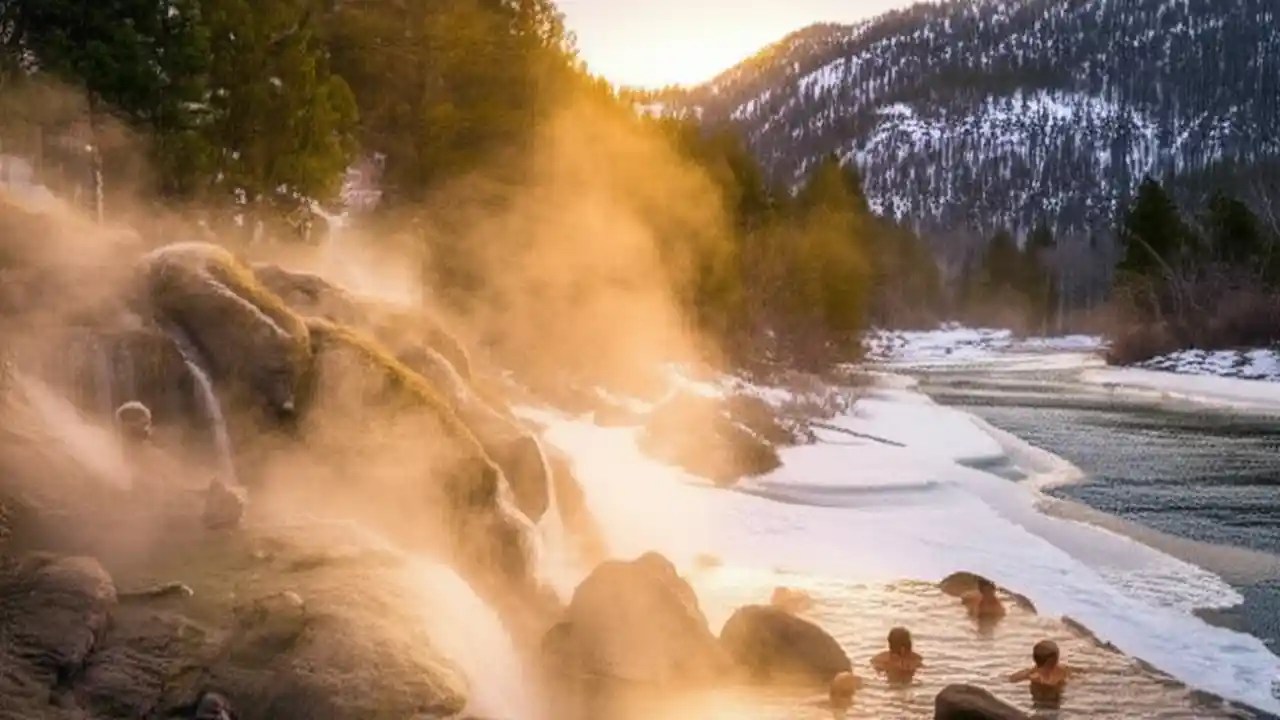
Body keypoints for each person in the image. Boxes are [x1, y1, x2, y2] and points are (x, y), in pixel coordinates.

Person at [1009, 640, 1075, 707]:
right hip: (1045, 698)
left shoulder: (1031, 674)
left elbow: (1011, 679)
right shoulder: (1062, 671)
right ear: (1053, 659)